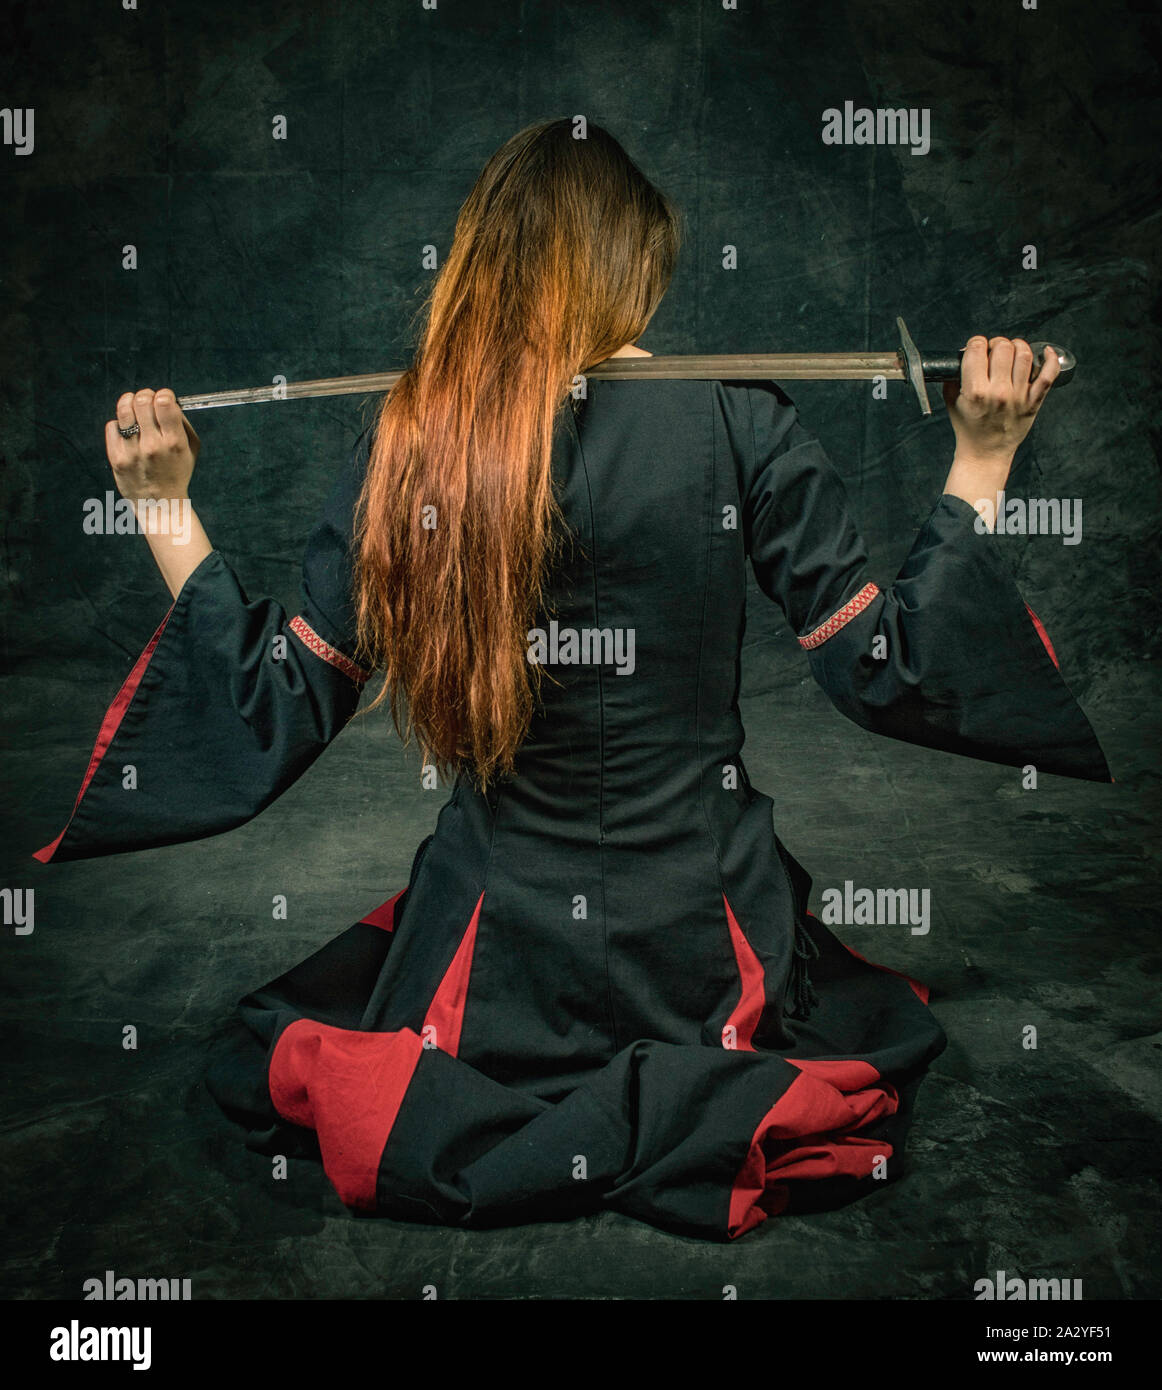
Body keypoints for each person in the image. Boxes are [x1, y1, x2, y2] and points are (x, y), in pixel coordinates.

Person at [32, 118, 1110, 1242]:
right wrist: (982, 460)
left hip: (490, 961)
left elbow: (274, 701)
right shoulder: (743, 417)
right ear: (629, 266)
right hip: (703, 948)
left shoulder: (412, 443)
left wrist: (161, 502)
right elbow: (888, 668)